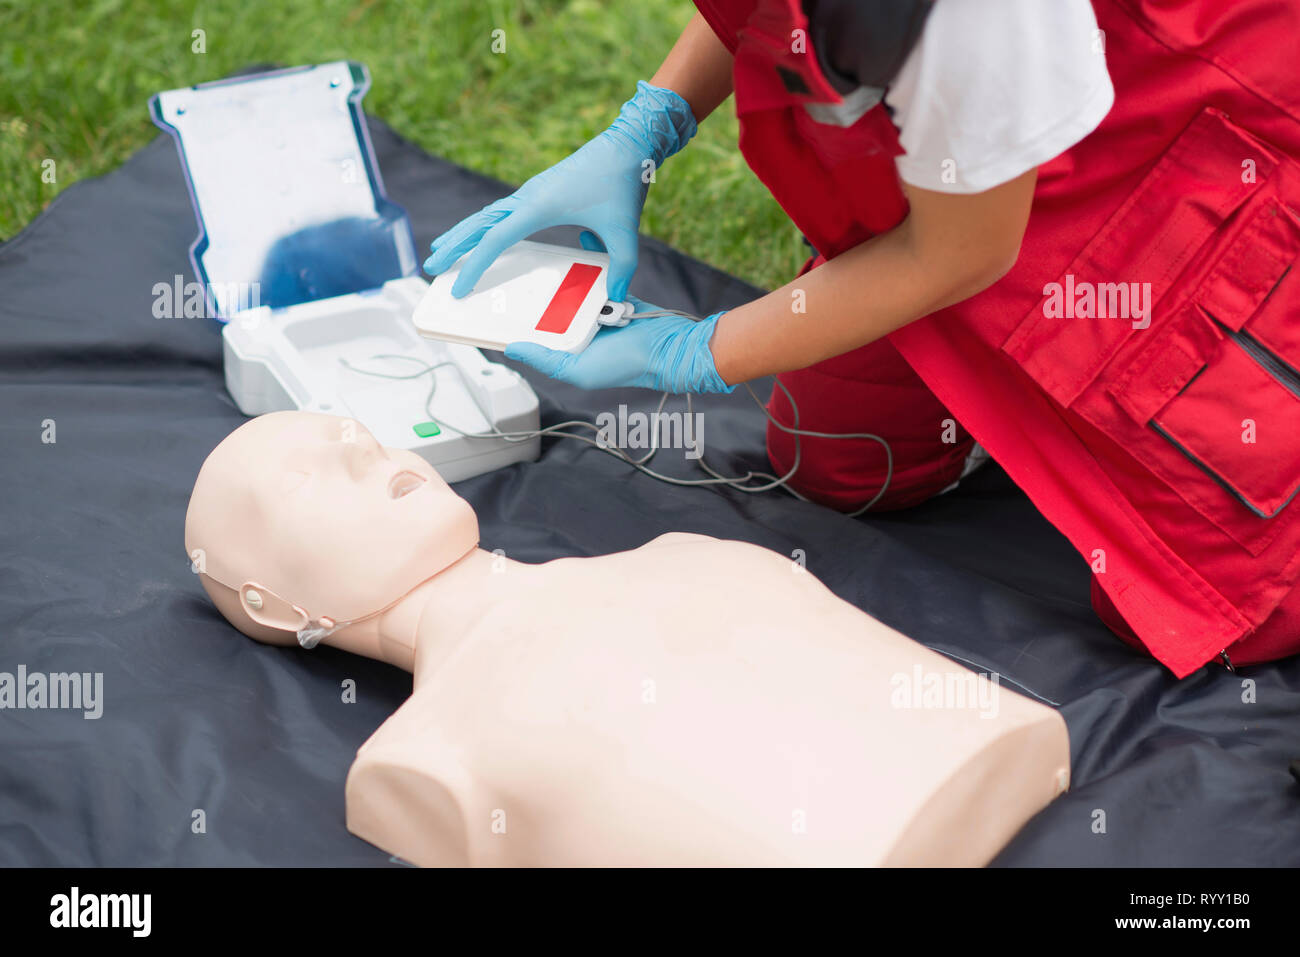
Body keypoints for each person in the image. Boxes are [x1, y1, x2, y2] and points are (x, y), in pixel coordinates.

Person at [425, 0, 1300, 678]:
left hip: (1167, 184)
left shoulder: (981, 22)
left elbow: (958, 252)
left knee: (1218, 604)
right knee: (841, 457)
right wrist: (647, 125)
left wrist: (695, 354)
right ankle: (997, 398)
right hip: (966, 173)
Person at [183, 411, 1069, 866]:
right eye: (318, 479)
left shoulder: (681, 552)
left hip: (1003, 749)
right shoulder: (421, 762)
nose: (384, 465)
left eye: (367, 443)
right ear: (268, 603)